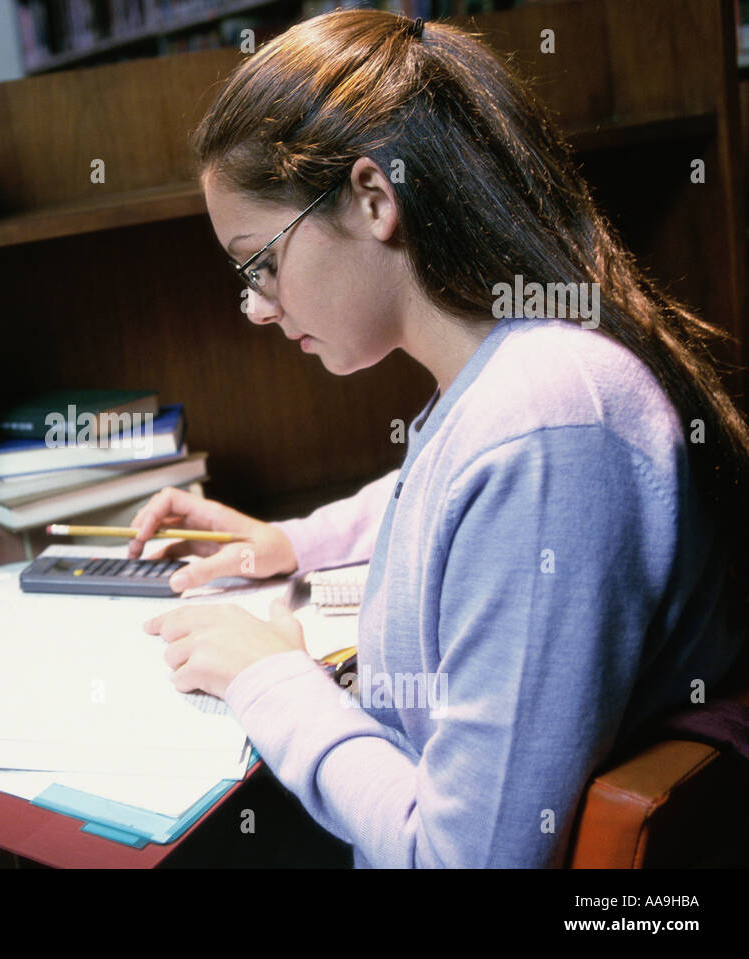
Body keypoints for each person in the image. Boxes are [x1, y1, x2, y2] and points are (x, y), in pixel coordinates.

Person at [131, 10, 749, 867]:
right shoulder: (514, 378)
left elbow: (463, 859)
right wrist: (289, 541)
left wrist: (265, 677)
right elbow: (436, 497)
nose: (258, 307)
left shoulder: (545, 423)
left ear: (375, 198)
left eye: (260, 260)